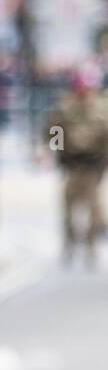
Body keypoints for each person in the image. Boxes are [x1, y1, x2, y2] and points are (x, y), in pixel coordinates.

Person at [47, 67, 108, 267]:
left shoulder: (100, 109)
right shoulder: (65, 108)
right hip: (72, 165)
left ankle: (90, 246)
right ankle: (70, 243)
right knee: (68, 209)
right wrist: (58, 152)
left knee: (93, 210)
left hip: (92, 166)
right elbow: (53, 131)